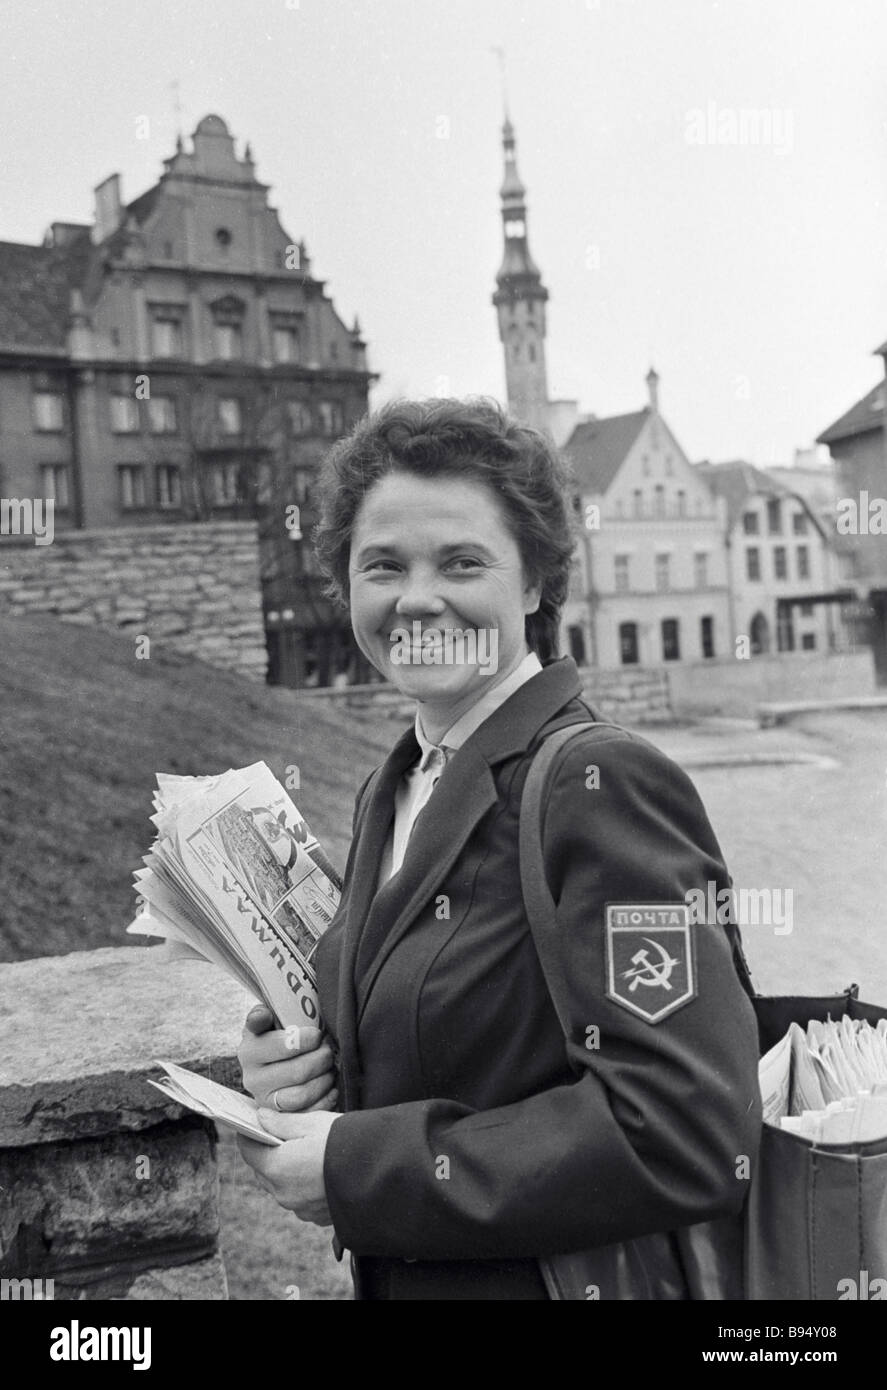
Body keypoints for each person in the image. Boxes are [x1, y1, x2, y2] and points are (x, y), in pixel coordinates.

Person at [236, 398, 762, 1300]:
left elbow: (688, 1130)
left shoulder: (600, 787)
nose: (418, 598)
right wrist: (293, 1064)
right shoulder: (395, 785)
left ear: (532, 585)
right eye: (383, 566)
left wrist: (358, 1169)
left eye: (462, 561)